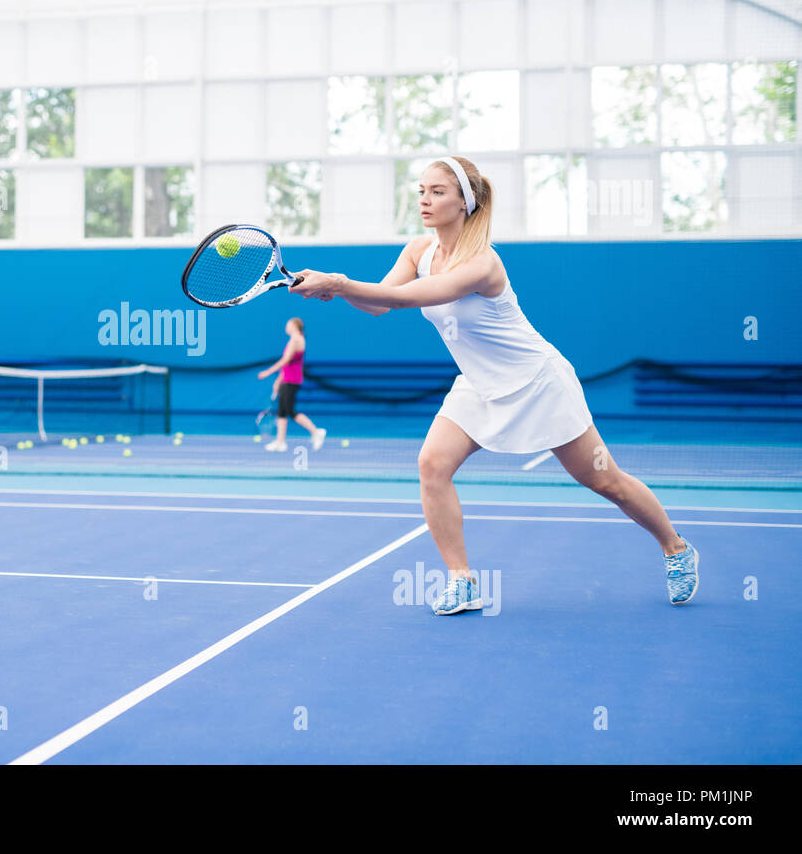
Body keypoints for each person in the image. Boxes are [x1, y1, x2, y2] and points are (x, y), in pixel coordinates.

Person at [289, 155, 698, 614]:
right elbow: (379, 305)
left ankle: (675, 547)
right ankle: (462, 581)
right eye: (422, 189)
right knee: (432, 465)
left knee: (606, 481)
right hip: (479, 385)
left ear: (465, 201)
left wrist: (341, 282)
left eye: (438, 191)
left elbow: (405, 299)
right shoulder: (416, 252)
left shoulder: (482, 263)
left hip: (538, 383)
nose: (425, 199)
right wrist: (337, 291)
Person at [257, 317, 327, 453]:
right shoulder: (294, 340)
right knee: (282, 412)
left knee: (290, 411)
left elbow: (285, 360)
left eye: (288, 324)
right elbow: (289, 364)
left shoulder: (296, 340)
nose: (286, 327)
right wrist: (278, 381)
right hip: (287, 379)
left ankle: (316, 431)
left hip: (292, 380)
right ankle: (280, 442)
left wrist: (267, 372)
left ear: (294, 326)